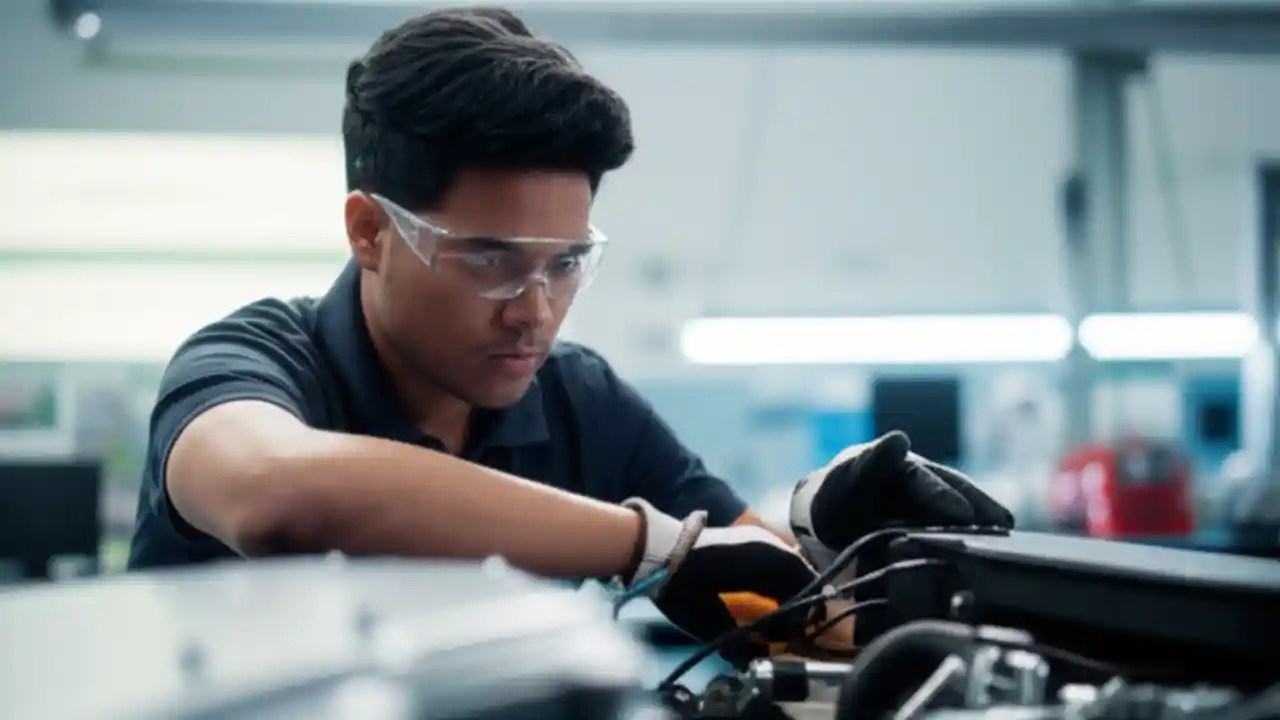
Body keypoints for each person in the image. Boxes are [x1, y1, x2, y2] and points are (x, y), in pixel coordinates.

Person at [127, 6, 1012, 656]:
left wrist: (829, 544)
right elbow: (279, 495)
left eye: (564, 262)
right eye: (489, 258)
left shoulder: (581, 402)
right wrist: (652, 546)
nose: (534, 309)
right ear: (369, 231)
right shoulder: (252, 363)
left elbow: (772, 602)